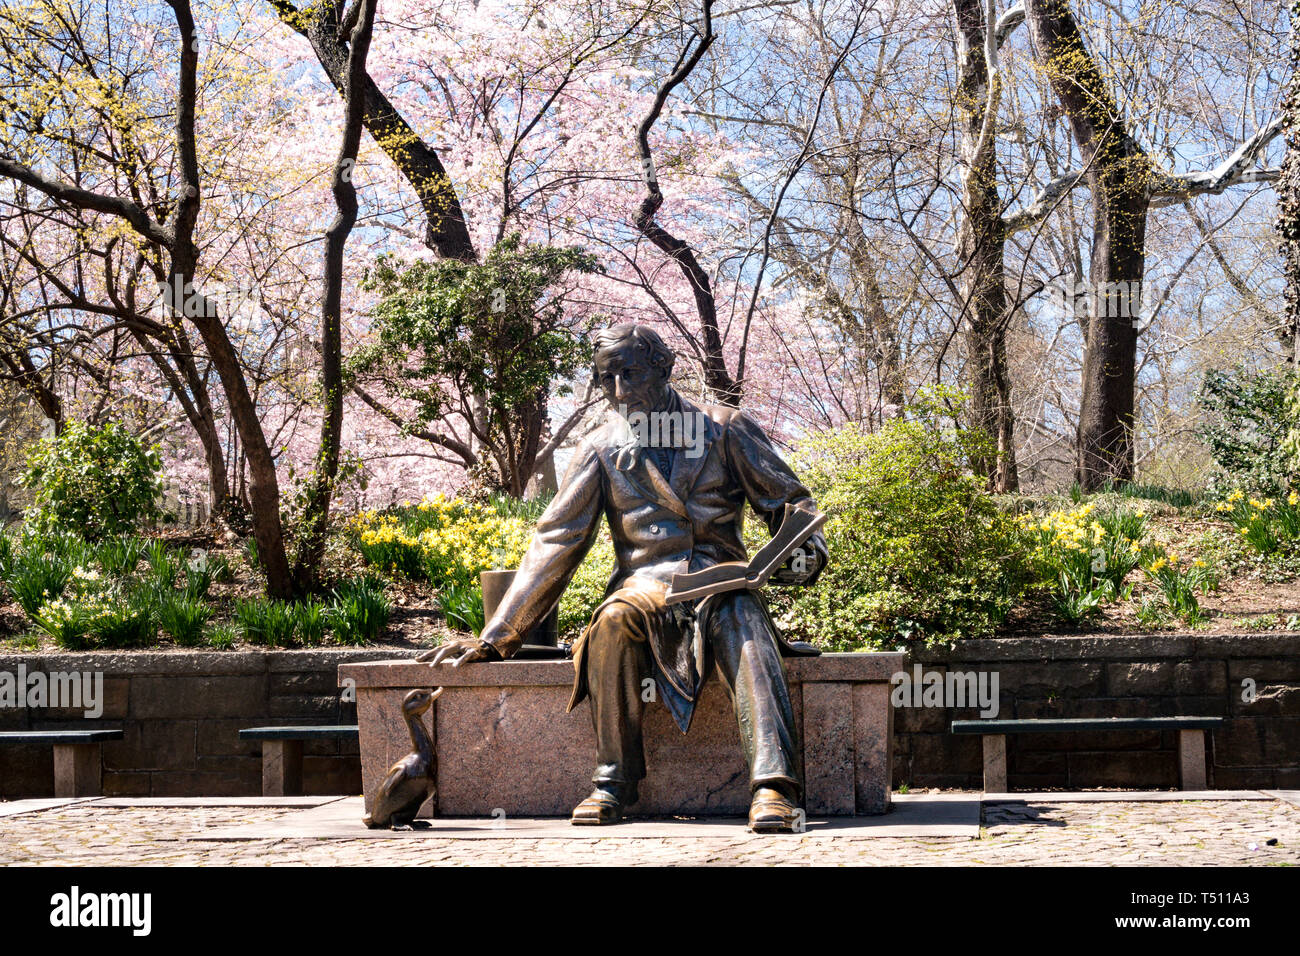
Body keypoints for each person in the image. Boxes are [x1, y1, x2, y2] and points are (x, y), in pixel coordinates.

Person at [421, 323, 827, 831]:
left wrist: (803, 552)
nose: (618, 392)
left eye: (630, 374)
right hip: (642, 588)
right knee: (609, 623)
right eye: (605, 379)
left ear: (665, 368)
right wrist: (497, 636)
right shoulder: (599, 448)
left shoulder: (724, 427)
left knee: (742, 617)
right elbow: (557, 539)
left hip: (720, 583)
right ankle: (613, 781)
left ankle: (773, 787)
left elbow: (792, 503)